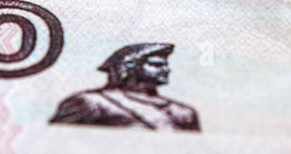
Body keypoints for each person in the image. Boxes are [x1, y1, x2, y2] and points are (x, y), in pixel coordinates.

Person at [49, 43, 200, 131]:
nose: (166, 70)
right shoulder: (91, 102)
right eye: (156, 65)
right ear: (128, 67)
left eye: (165, 65)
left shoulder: (184, 112)